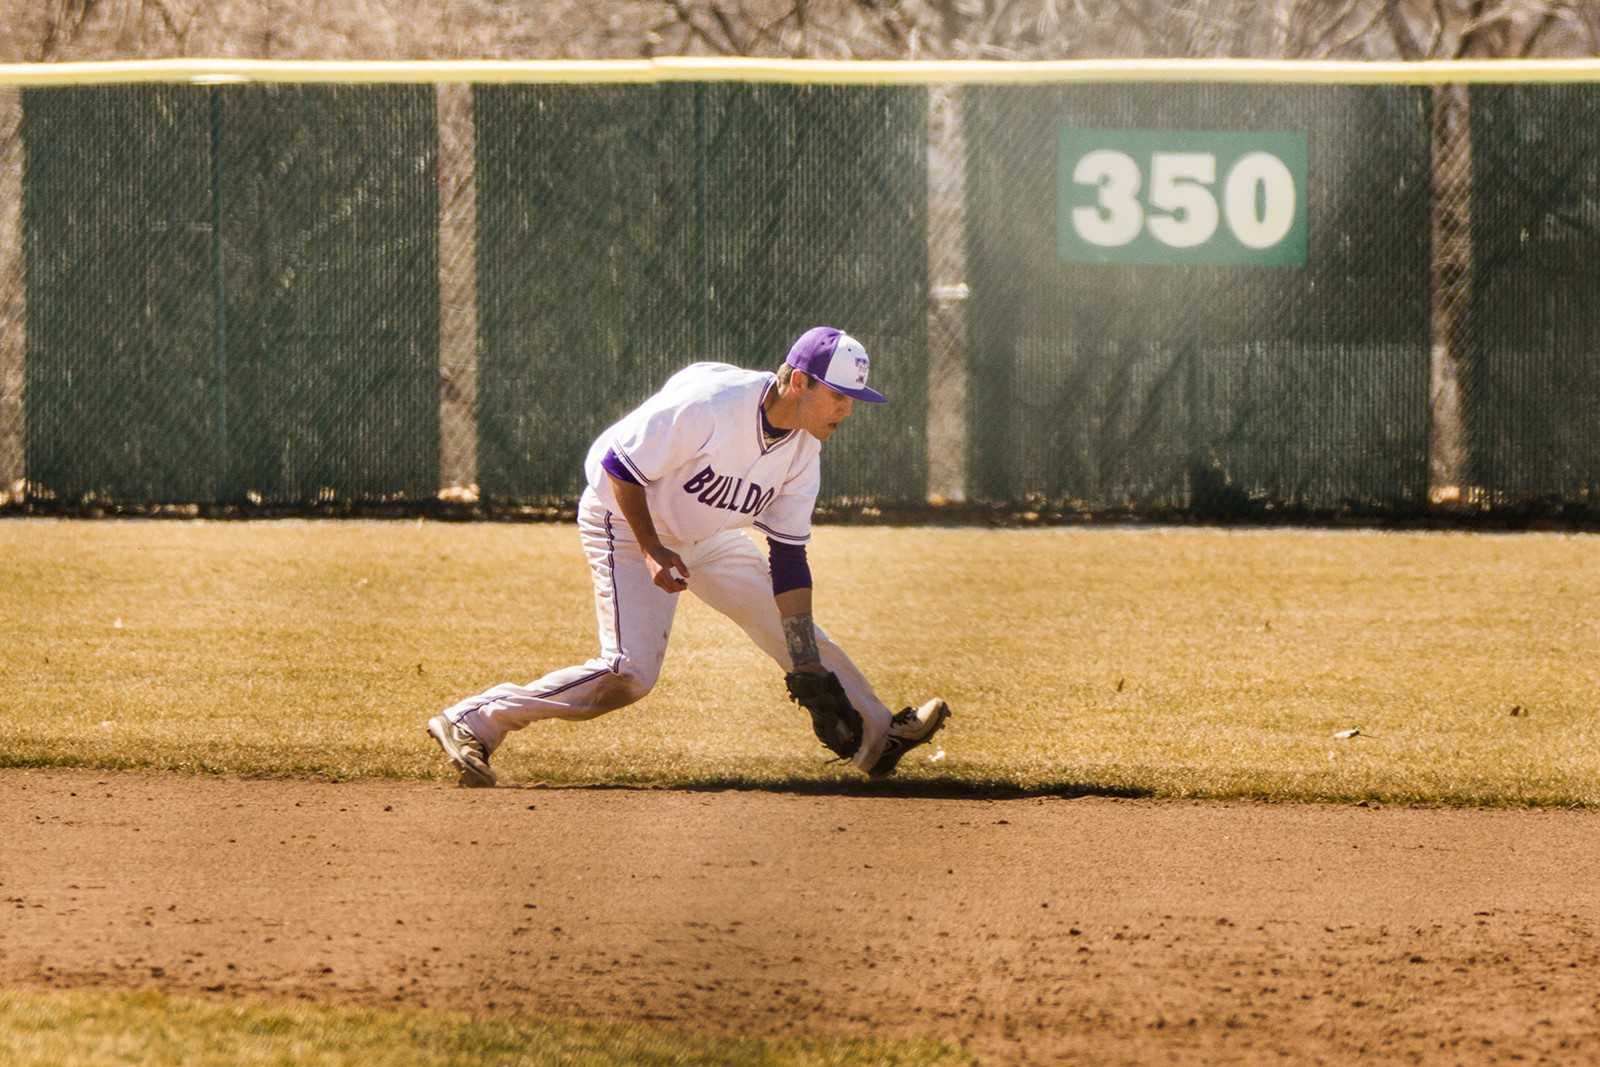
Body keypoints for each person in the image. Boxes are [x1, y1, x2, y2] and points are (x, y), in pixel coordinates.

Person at [426, 326, 949, 787]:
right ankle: (475, 719)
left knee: (797, 634)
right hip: (627, 523)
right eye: (838, 394)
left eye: (853, 398)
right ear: (798, 382)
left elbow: (789, 559)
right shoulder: (713, 403)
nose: (847, 410)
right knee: (630, 675)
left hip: (709, 536)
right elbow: (619, 466)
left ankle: (877, 738)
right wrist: (653, 549)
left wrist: (806, 663)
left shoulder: (803, 449)